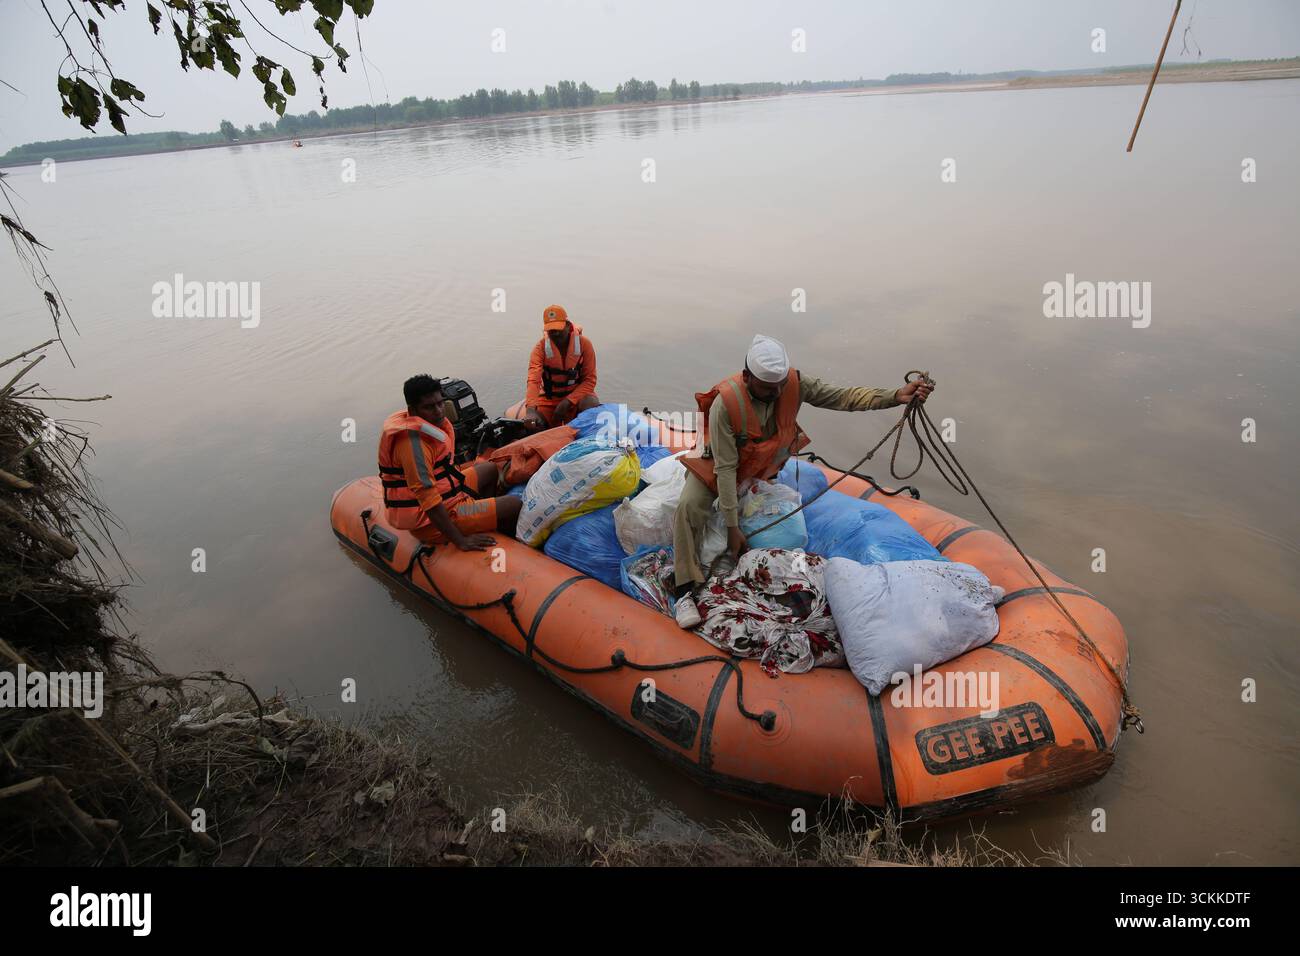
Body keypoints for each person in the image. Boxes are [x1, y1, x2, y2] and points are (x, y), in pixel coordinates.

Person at [671, 334, 934, 629]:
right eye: (768, 388)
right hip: (721, 464)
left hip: (760, 467)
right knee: (689, 506)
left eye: (779, 387)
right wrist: (732, 528)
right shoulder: (726, 404)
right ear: (747, 377)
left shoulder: (792, 384)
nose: (776, 393)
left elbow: (843, 397)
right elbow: (726, 467)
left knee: (781, 531)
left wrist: (895, 396)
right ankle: (683, 588)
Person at [378, 374, 522, 550]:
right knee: (515, 504)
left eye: (440, 404)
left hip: (449, 495)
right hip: (432, 520)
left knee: (490, 469)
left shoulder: (427, 427)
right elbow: (428, 501)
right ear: (413, 410)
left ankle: (486, 519)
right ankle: (502, 535)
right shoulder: (413, 446)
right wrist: (460, 541)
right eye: (429, 407)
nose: (438, 411)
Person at [524, 304, 599, 429]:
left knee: (591, 403)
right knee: (534, 425)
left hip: (577, 396)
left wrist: (567, 402)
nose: (556, 334)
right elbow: (533, 380)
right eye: (552, 330)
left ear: (568, 325)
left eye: (559, 329)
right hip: (549, 400)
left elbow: (590, 380)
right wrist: (530, 410)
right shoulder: (539, 349)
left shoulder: (584, 344)